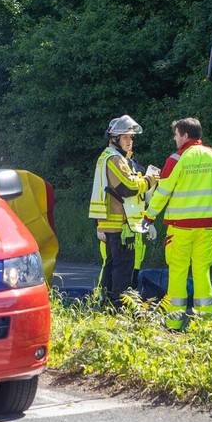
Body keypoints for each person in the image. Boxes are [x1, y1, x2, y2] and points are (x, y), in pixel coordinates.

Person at [143, 117, 212, 330]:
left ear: (184, 135)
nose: (174, 139)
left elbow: (162, 193)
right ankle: (205, 325)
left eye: (176, 135)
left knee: (178, 274)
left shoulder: (175, 159)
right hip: (207, 229)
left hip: (180, 230)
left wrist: (149, 217)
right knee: (202, 274)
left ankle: (173, 324)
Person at [89, 115, 155, 304]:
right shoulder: (114, 159)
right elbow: (129, 188)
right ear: (114, 138)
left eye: (131, 137)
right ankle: (120, 307)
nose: (129, 141)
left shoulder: (111, 157)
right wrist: (150, 180)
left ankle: (107, 304)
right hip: (120, 225)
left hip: (113, 224)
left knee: (112, 267)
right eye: (125, 137)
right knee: (123, 270)